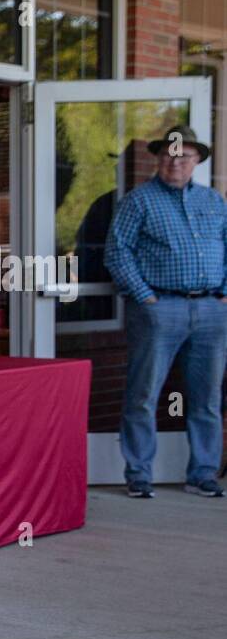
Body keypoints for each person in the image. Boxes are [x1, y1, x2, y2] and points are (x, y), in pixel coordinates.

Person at [104, 124, 227, 499]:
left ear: (196, 161)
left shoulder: (214, 201)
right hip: (160, 308)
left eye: (185, 155)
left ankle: (202, 473)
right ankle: (139, 473)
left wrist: (223, 293)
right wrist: (146, 298)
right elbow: (117, 251)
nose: (177, 161)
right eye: (170, 154)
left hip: (210, 310)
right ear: (159, 158)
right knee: (143, 394)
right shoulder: (138, 201)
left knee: (207, 398)